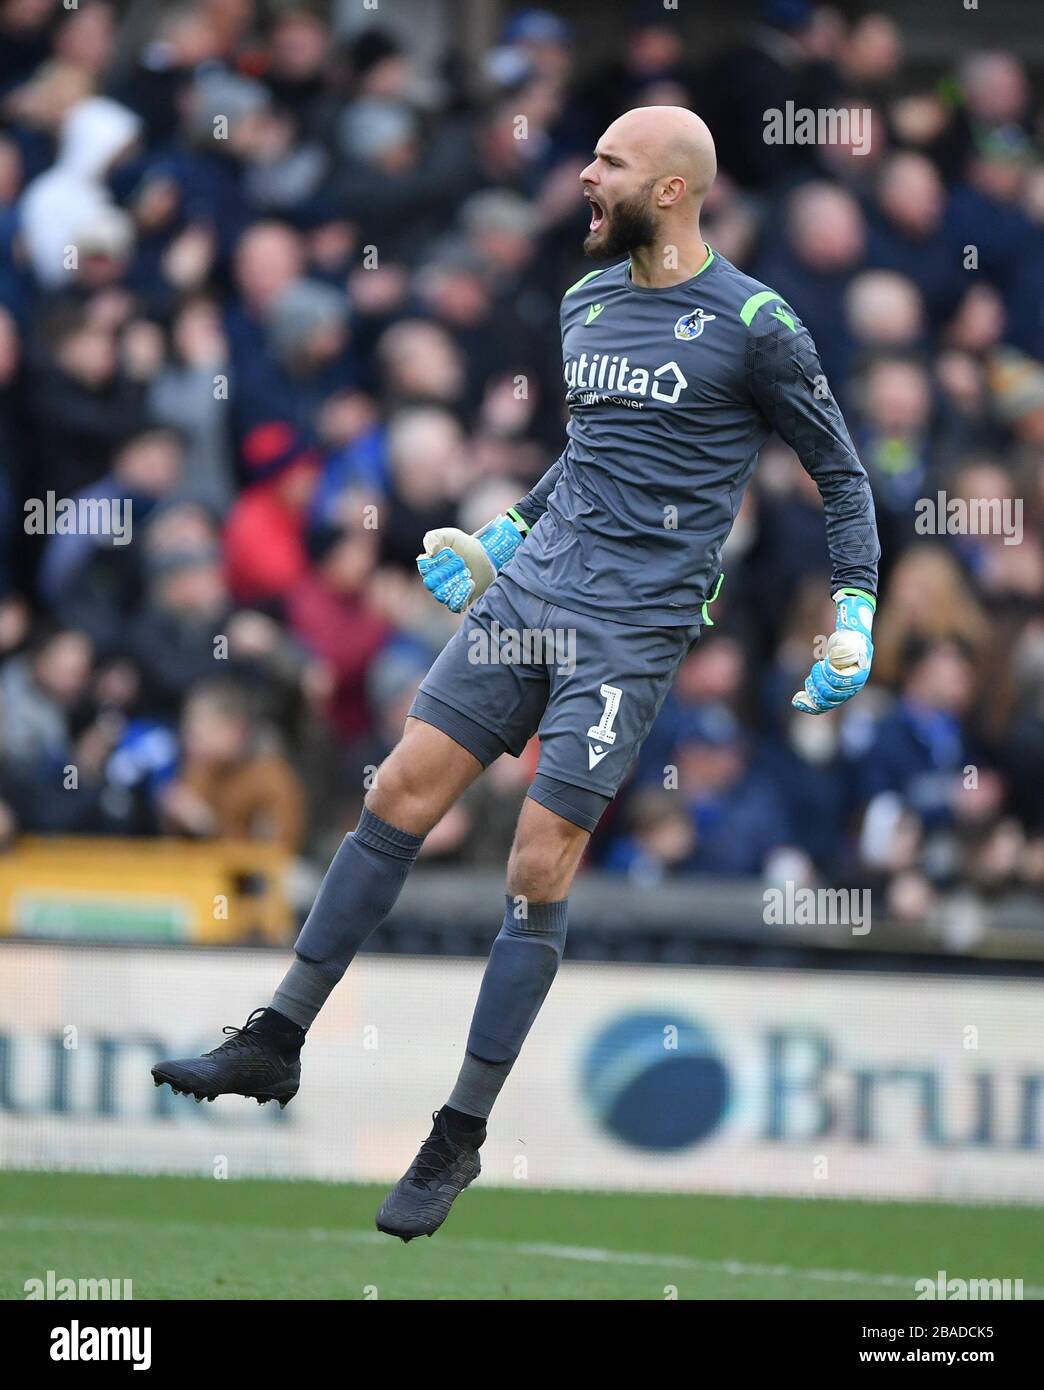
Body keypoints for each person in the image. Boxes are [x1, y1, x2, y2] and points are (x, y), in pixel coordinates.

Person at [151, 105, 880, 1241]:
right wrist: (498, 538)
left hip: (631, 630)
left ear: (676, 189)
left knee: (537, 864)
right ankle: (275, 1036)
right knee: (395, 790)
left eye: (609, 163)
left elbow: (842, 477)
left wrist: (855, 615)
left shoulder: (756, 324)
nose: (584, 176)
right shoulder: (584, 302)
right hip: (531, 594)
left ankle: (458, 1132)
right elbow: (586, 460)